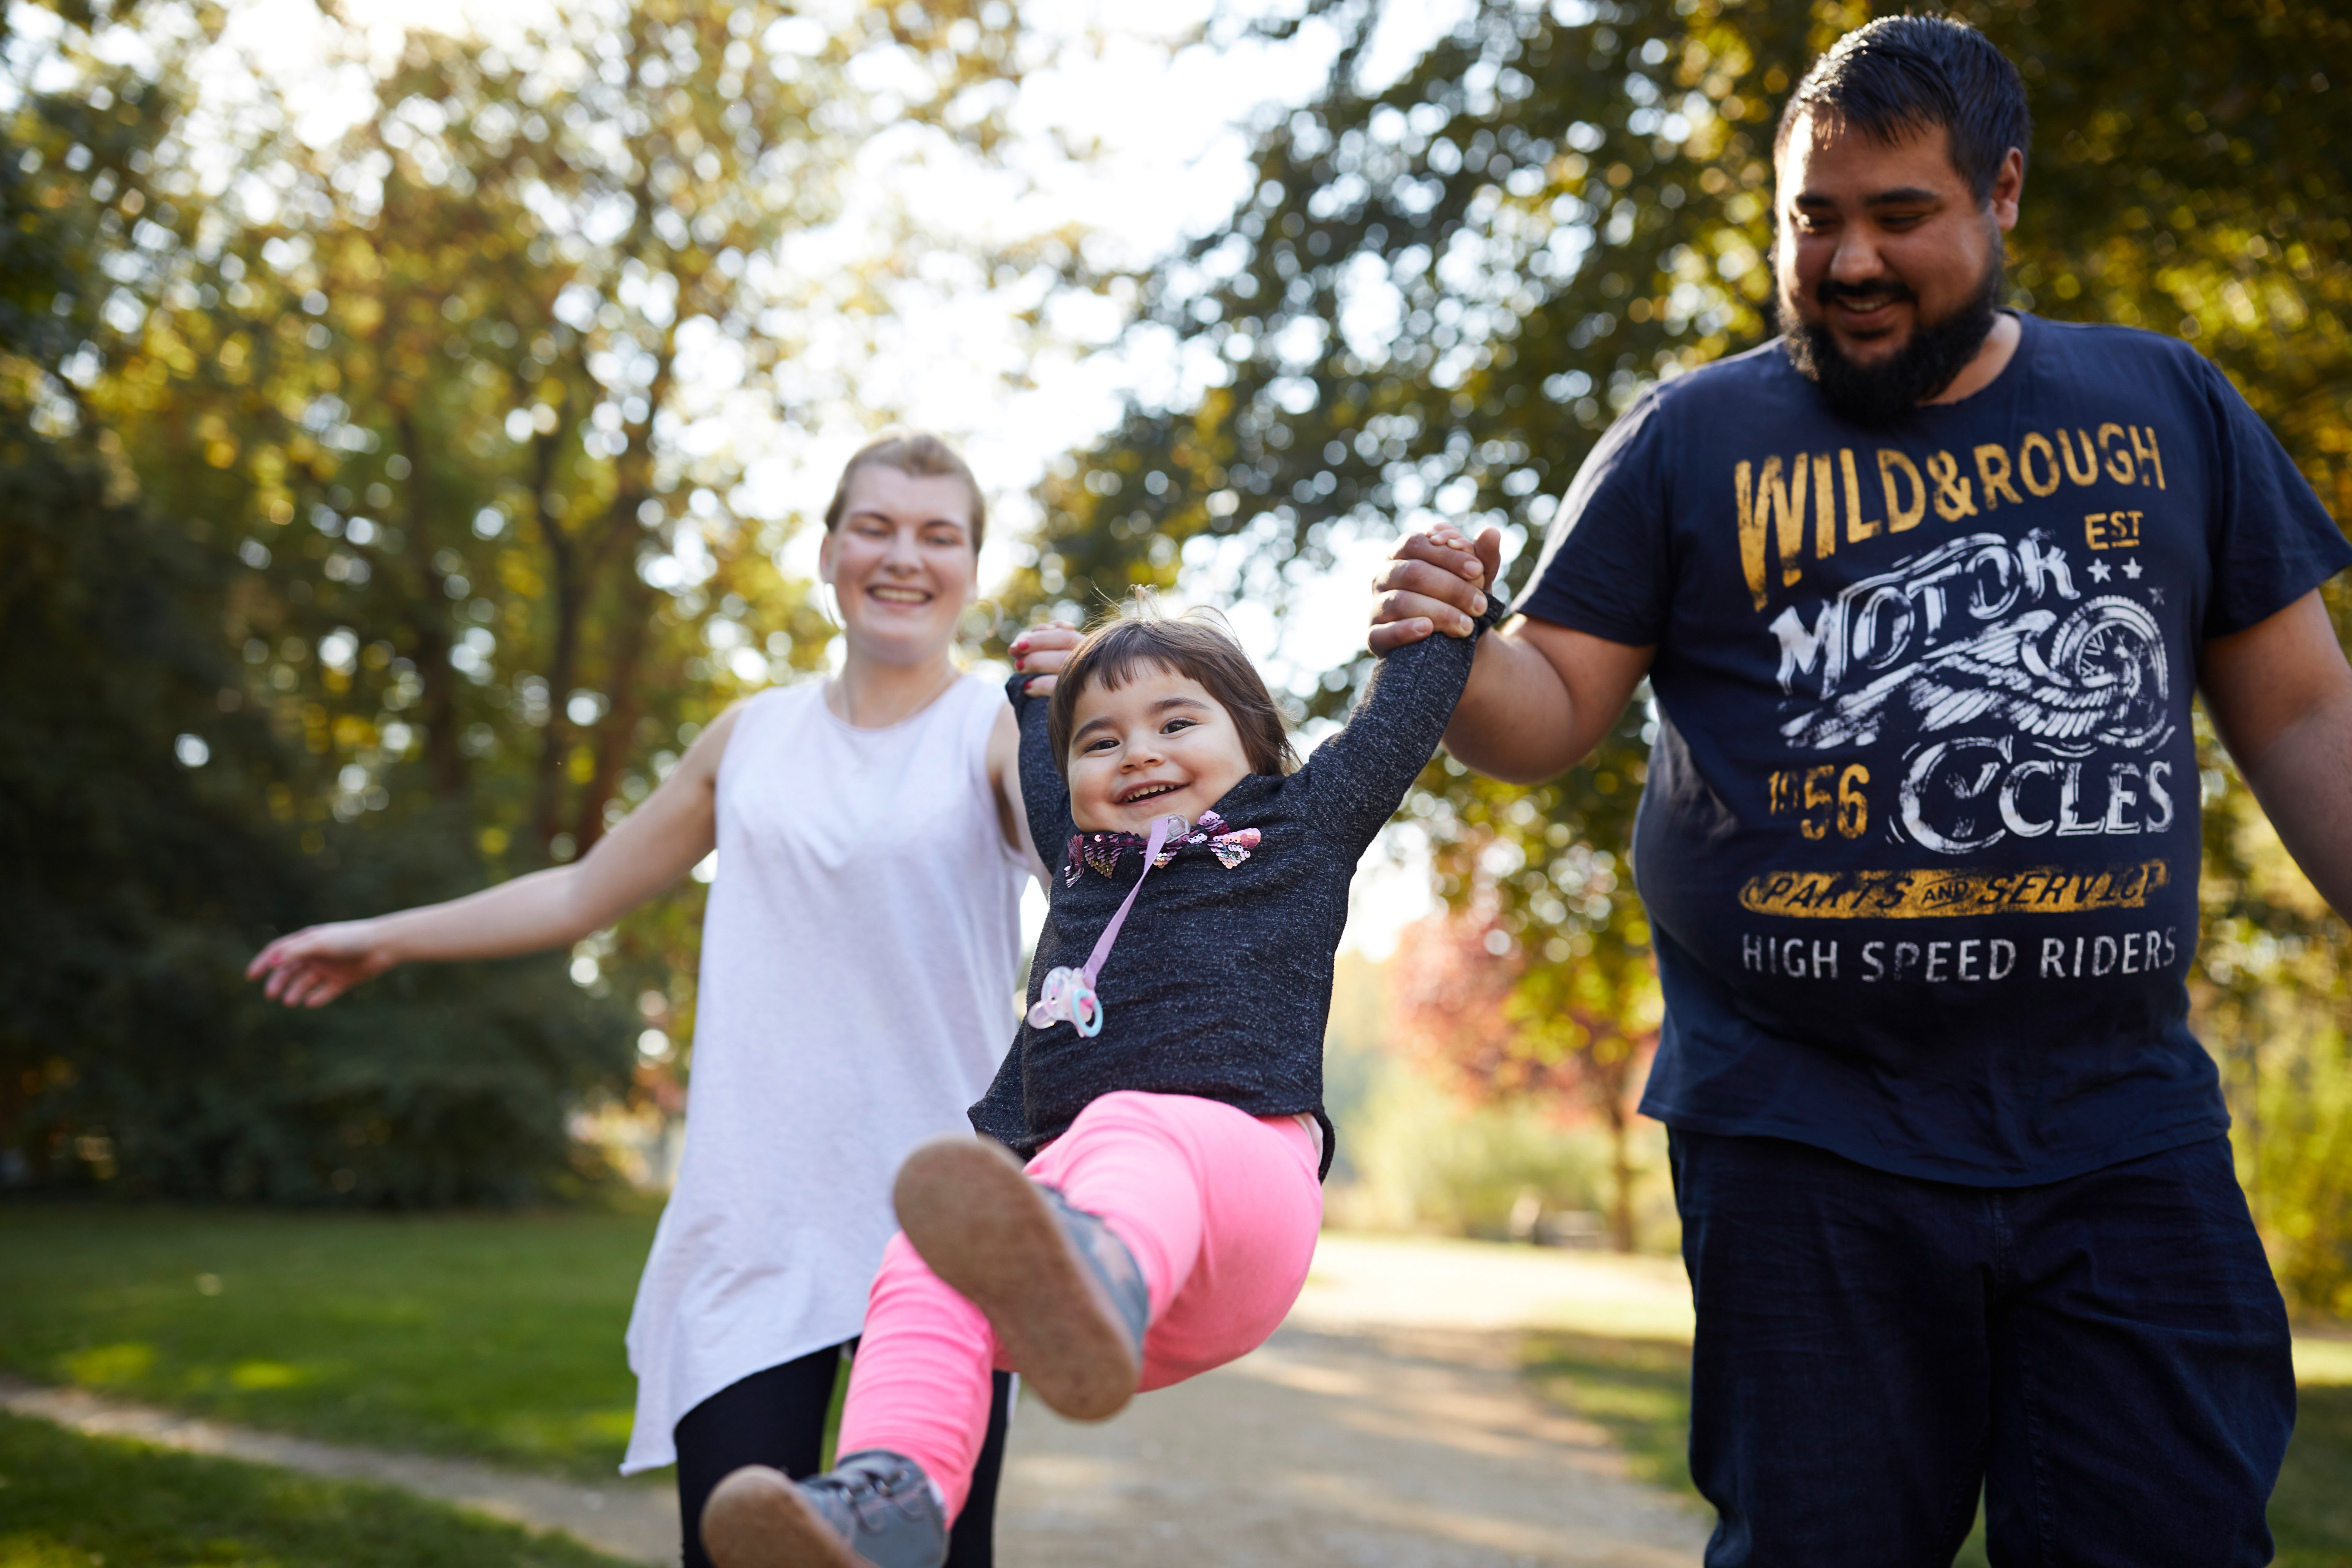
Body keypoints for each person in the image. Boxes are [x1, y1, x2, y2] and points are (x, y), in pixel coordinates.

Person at [1370, 17, 2352, 1566]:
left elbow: (2301, 715)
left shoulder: (2166, 407)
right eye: (1814, 220)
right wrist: (1455, 642)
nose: (1849, 263)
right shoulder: (1694, 436)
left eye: (1901, 216)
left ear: (2003, 194)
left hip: (2119, 1127)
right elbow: (1547, 708)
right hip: (1799, 1133)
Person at [247, 431, 1083, 1568]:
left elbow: (1097, 860)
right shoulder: (751, 737)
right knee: (734, 1551)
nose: (904, 556)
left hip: (937, 1225)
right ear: (830, 549)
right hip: (753, 1219)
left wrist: (1088, 725)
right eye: (875, 527)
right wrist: (383, 941)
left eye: (939, 536)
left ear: (972, 571)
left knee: (927, 1557)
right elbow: (586, 888)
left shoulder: (997, 729)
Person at [694, 583, 1501, 1568]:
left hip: (1236, 1203)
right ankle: (891, 1492)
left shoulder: (1304, 827)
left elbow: (1395, 724)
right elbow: (1044, 764)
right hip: (1093, 1281)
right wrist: (1041, 696)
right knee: (920, 1264)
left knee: (1131, 1125)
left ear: (1253, 742)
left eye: (1175, 721)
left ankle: (1096, 1262)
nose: (1139, 753)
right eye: (1102, 741)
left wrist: (1447, 608)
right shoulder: (1082, 868)